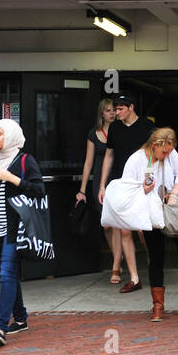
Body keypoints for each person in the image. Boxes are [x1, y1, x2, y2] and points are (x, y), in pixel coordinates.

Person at [0, 119, 44, 347]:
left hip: (15, 229)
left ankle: (0, 327)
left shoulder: (24, 160)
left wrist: (12, 178)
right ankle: (21, 318)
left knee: (6, 275)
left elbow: (39, 190)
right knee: (8, 274)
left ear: (11, 136)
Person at [121, 127, 178, 323]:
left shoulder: (171, 155)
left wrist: (174, 193)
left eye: (170, 151)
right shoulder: (137, 159)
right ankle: (158, 304)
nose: (167, 155)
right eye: (164, 151)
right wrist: (142, 190)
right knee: (156, 257)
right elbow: (127, 187)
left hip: (171, 209)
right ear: (155, 145)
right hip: (150, 213)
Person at [97, 94, 155, 297]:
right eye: (115, 109)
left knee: (142, 229)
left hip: (142, 183)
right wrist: (103, 184)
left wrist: (149, 178)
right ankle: (134, 277)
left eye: (120, 109)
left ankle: (153, 262)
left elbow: (153, 155)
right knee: (124, 231)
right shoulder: (114, 128)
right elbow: (109, 155)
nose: (116, 113)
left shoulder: (147, 126)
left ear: (131, 107)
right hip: (121, 183)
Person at [76, 97, 115, 274]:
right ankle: (117, 256)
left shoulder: (120, 131)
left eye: (114, 109)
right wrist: (82, 190)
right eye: (108, 110)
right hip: (99, 180)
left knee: (120, 224)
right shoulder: (93, 133)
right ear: (102, 113)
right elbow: (88, 163)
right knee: (106, 224)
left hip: (117, 178)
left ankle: (117, 264)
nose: (112, 113)